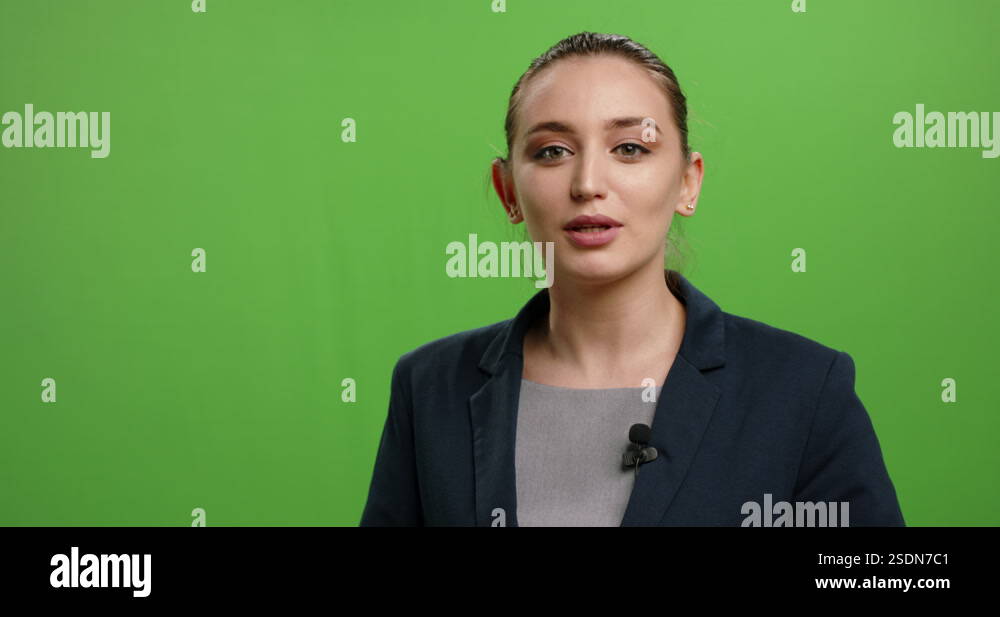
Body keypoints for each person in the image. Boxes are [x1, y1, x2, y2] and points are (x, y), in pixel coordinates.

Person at [360, 31, 905, 527]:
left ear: (687, 183)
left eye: (630, 148)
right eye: (552, 151)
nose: (588, 182)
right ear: (508, 193)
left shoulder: (804, 389)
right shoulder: (428, 387)